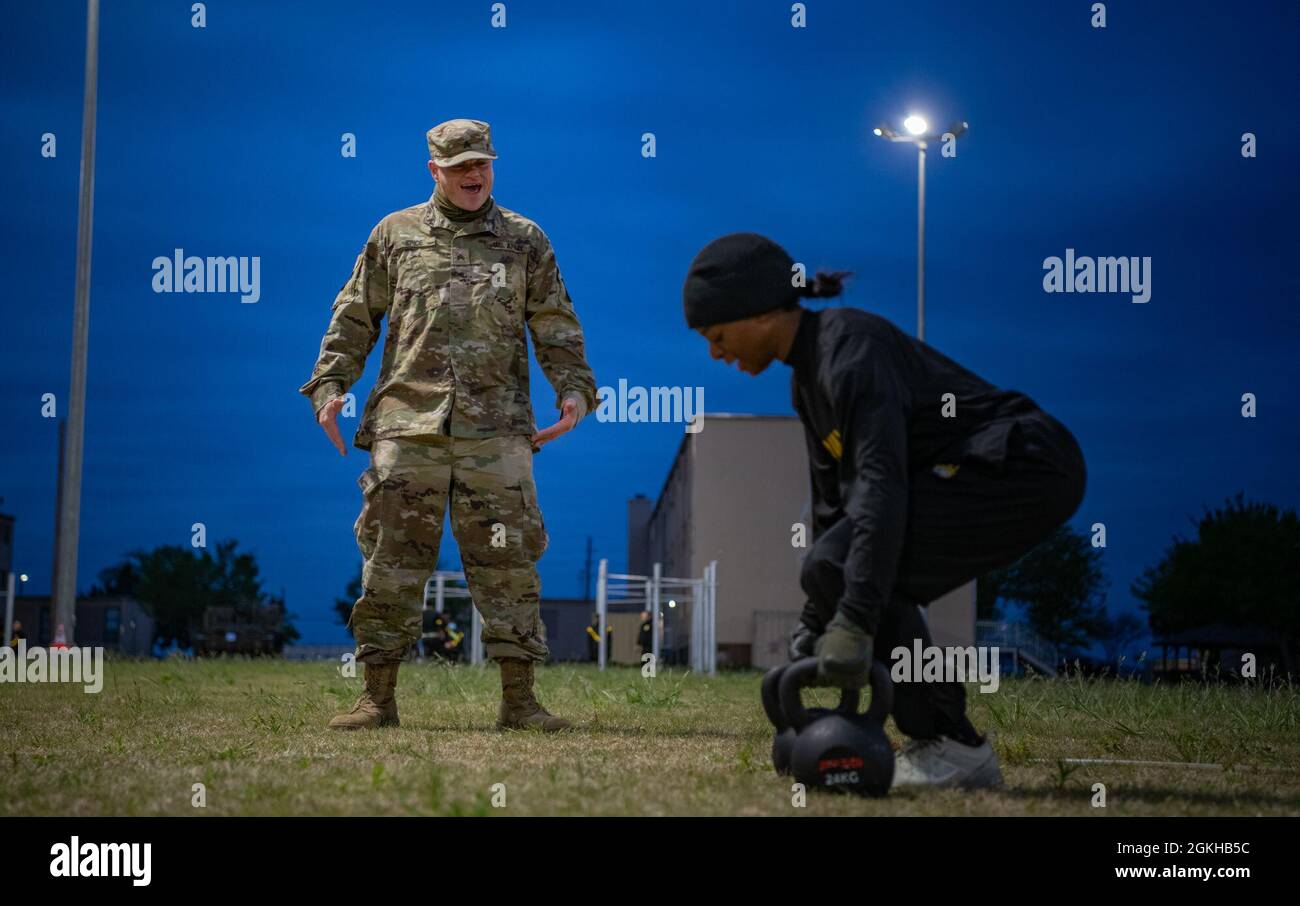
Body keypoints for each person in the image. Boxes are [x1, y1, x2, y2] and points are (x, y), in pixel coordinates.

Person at [682, 233, 1086, 790]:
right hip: (974, 472)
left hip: (1025, 464)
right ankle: (945, 739)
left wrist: (853, 620)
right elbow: (835, 515)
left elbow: (881, 493)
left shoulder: (850, 348)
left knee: (857, 568)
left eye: (717, 336)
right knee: (833, 565)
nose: (716, 353)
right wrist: (813, 623)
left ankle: (951, 745)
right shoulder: (807, 384)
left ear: (758, 313)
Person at [300, 119, 598, 732]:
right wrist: (331, 385)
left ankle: (520, 702)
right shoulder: (394, 235)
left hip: (497, 432)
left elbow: (555, 322)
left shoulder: (525, 241)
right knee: (391, 562)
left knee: (509, 564)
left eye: (481, 164)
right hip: (408, 428)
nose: (473, 175)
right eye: (459, 165)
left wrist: (574, 392)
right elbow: (355, 316)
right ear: (433, 170)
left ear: (493, 165)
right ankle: (376, 699)